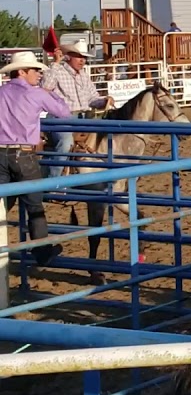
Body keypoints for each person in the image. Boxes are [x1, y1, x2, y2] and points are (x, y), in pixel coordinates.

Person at [0, 51, 72, 265]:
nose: (39, 73)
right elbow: (63, 111)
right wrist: (51, 93)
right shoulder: (36, 93)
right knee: (34, 205)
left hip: (0, 154)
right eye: (35, 70)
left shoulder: (1, 92)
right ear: (22, 72)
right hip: (24, 154)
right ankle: (41, 251)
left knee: (2, 203)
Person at [40, 39, 113, 178]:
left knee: (104, 137)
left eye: (84, 57)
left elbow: (92, 98)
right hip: (60, 119)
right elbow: (45, 87)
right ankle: (53, 181)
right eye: (79, 57)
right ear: (68, 56)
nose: (82, 60)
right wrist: (55, 63)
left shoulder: (84, 76)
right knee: (66, 143)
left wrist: (103, 101)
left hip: (83, 118)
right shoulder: (57, 71)